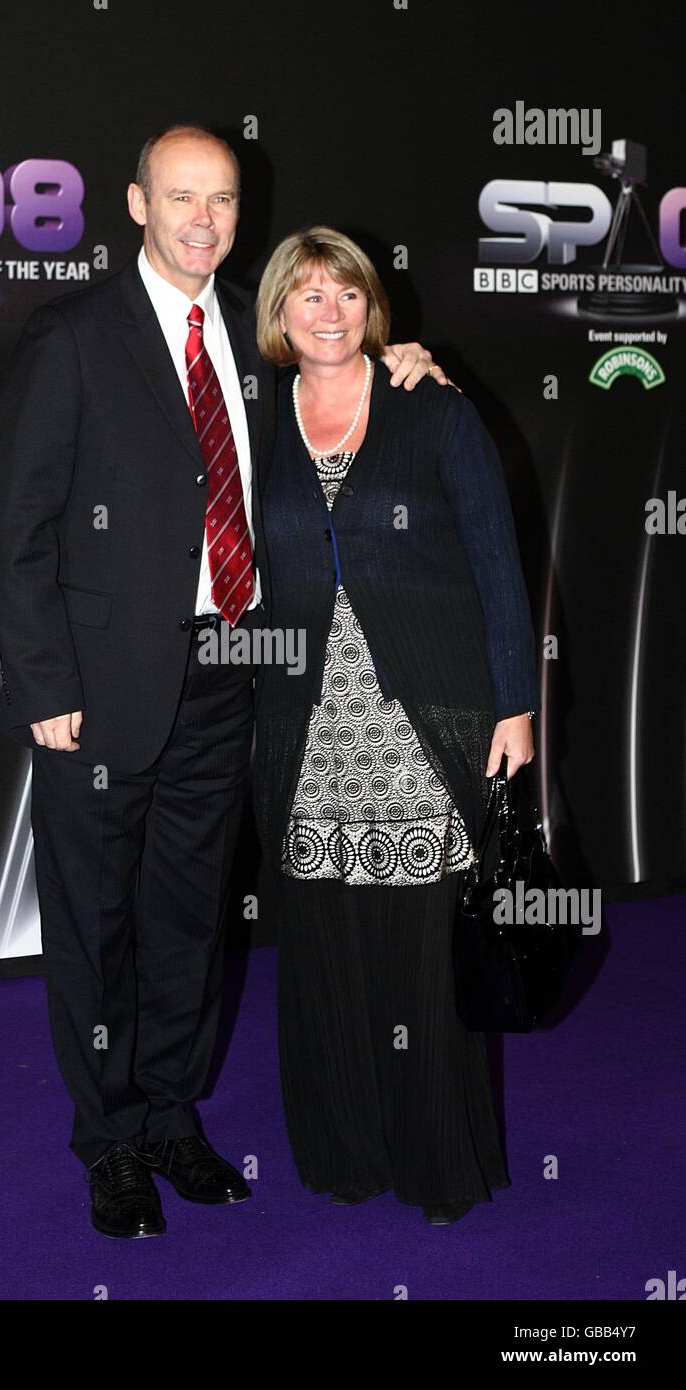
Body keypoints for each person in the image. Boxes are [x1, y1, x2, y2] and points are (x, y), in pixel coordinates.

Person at [0, 127, 450, 1239]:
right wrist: (46, 683)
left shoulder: (254, 329)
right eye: (181, 198)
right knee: (98, 927)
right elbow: (16, 528)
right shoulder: (74, 335)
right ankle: (109, 1142)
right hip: (94, 693)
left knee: (189, 921)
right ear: (136, 205)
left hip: (225, 676)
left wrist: (398, 365)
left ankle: (171, 1117)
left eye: (223, 200)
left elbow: (328, 395)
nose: (203, 219)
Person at [252, 226, 541, 1224]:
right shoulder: (256, 422)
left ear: (371, 308)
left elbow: (498, 561)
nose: (327, 313)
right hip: (302, 725)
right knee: (326, 938)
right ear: (278, 314)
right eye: (307, 296)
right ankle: (346, 1147)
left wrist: (516, 704)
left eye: (345, 295)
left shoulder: (429, 408)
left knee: (423, 942)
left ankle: (433, 1159)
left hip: (422, 710)